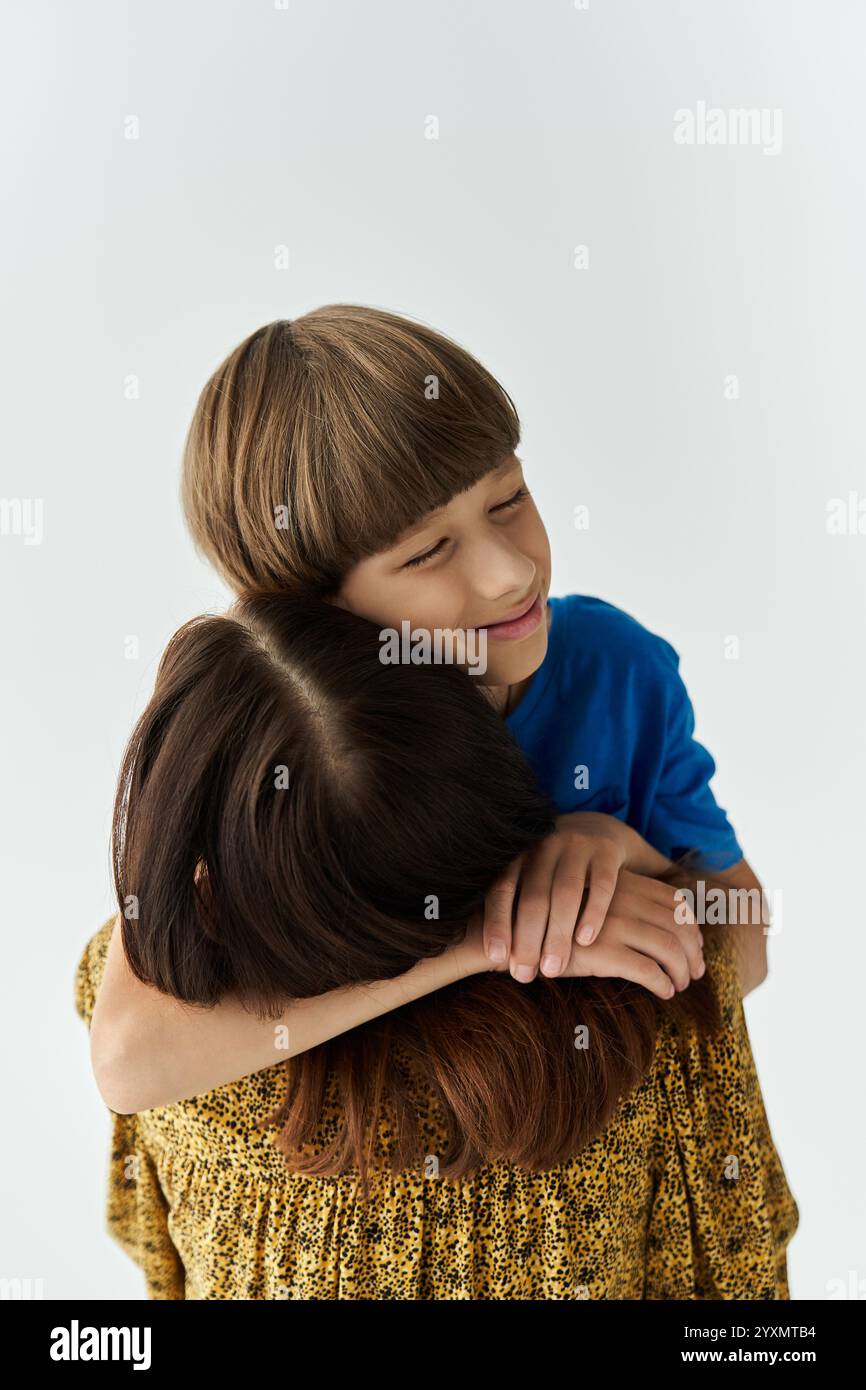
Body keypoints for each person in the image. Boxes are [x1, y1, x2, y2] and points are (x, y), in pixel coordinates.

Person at [90, 305, 772, 1110]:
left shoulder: (617, 669)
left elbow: (749, 943)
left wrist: (621, 847)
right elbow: (129, 1062)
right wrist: (482, 938)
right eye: (426, 552)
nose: (510, 574)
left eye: (509, 497)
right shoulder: (282, 736)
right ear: (311, 608)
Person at [75, 592, 798, 1299]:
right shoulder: (637, 1025)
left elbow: (150, 1227)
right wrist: (526, 910)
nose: (509, 576)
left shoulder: (184, 1055)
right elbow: (732, 1289)